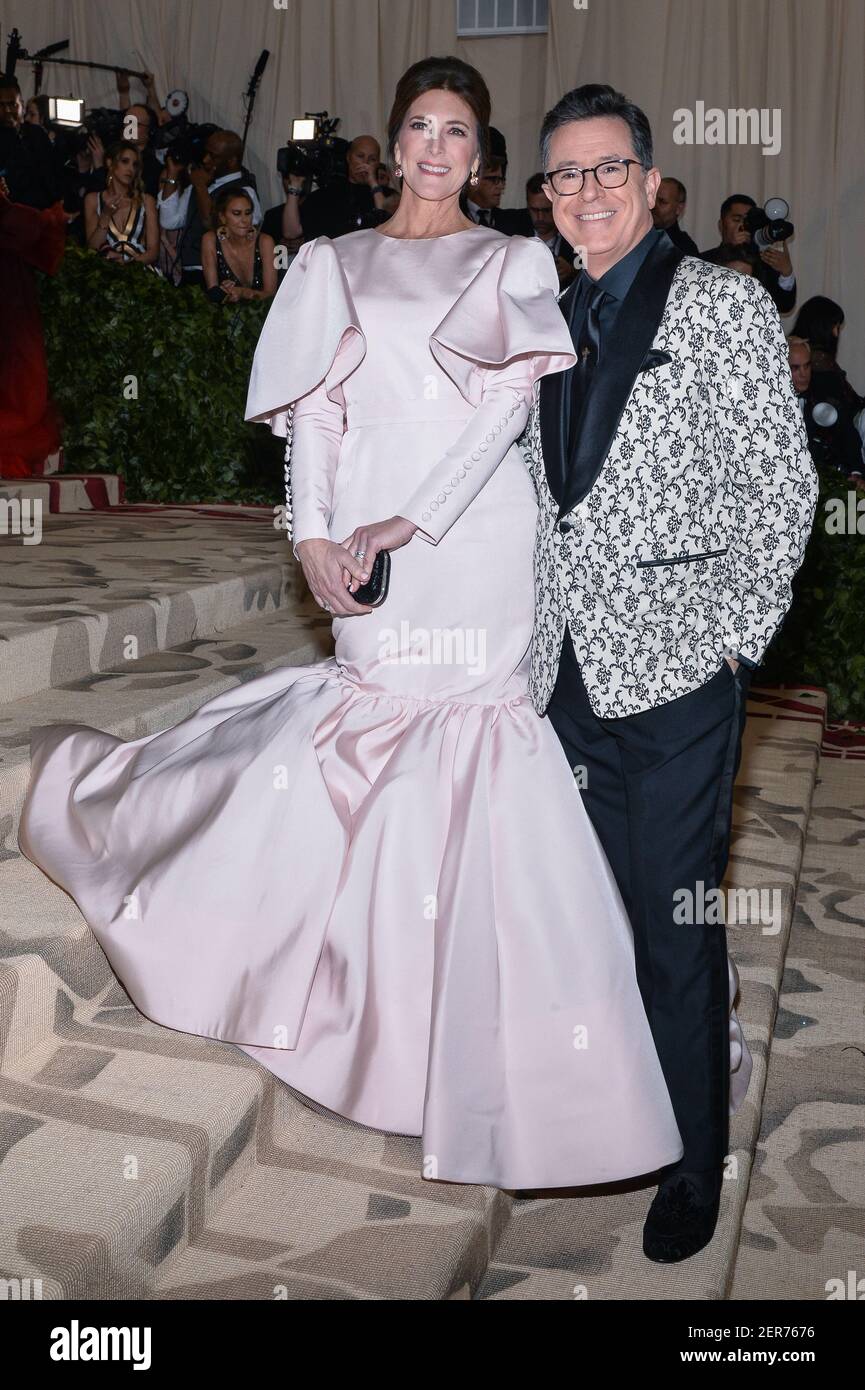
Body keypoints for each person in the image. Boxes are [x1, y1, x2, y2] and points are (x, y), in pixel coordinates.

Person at [18, 57, 749, 1202]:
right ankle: (354, 1004)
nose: (438, 147)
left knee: (475, 763)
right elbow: (314, 413)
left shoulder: (513, 259)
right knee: (367, 733)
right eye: (421, 124)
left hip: (476, 548)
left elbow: (506, 411)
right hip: (358, 538)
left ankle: (491, 1054)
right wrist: (313, 537)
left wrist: (410, 520)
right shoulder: (328, 261)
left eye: (462, 132)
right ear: (392, 137)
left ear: (481, 156)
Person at [524, 82, 817, 1260]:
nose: (587, 193)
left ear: (649, 183)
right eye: (563, 176)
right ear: (544, 199)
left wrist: (735, 639)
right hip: (561, 678)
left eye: (607, 171)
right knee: (584, 918)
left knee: (673, 920)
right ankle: (611, 1112)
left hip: (679, 678)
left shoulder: (724, 305)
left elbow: (781, 486)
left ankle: (695, 1159)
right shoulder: (541, 316)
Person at [702, 193, 796, 314]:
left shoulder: (765, 262)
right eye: (736, 220)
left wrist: (786, 273)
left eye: (748, 221)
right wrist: (732, 249)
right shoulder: (702, 261)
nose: (743, 226)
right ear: (721, 225)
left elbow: (784, 306)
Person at [83, 141, 159, 268]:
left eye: (135, 165)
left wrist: (127, 267)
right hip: (105, 274)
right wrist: (106, 216)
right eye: (125, 161)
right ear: (109, 163)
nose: (130, 169)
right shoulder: (93, 199)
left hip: (141, 274)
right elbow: (92, 248)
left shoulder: (147, 201)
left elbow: (153, 252)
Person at [201, 187, 277, 303]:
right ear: (222, 217)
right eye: (237, 214)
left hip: (265, 315)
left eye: (248, 213)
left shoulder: (265, 242)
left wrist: (244, 293)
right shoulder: (210, 240)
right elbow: (213, 294)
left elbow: (272, 295)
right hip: (227, 316)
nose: (244, 220)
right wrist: (224, 291)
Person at [651, 176, 699, 255]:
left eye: (662, 202)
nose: (653, 205)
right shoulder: (637, 236)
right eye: (652, 199)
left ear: (679, 208)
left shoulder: (684, 248)